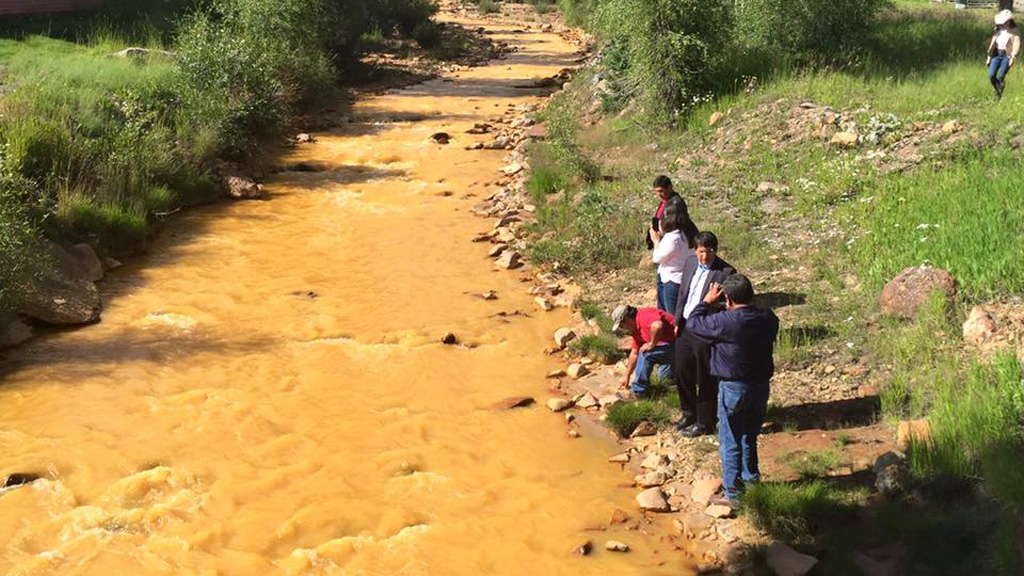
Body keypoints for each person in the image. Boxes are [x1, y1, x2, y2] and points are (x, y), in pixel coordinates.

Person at [686, 275, 779, 507]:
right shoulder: (768, 318)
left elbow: (693, 324)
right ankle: (751, 482)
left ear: (727, 298)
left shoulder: (725, 322)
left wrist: (706, 302)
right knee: (749, 435)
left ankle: (733, 495)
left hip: (733, 387)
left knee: (730, 439)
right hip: (760, 386)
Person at [673, 231, 736, 437]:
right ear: (695, 250)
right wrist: (676, 320)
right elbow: (683, 293)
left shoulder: (725, 272)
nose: (704, 256)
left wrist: (709, 303)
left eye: (709, 252)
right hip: (685, 327)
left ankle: (705, 422)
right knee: (682, 372)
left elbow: (727, 305)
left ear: (715, 251)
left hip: (705, 331)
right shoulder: (690, 263)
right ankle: (688, 413)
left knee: (705, 378)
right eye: (701, 252)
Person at [612, 304, 677, 396]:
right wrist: (626, 375)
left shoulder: (644, 315)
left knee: (645, 354)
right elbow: (634, 353)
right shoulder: (635, 329)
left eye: (621, 326)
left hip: (678, 342)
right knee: (664, 383)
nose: (623, 329)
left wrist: (651, 344)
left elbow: (657, 326)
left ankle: (638, 392)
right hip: (668, 349)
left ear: (626, 320)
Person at [651, 206, 689, 313]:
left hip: (672, 280)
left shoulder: (674, 238)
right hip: (674, 277)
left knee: (670, 315)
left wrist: (656, 241)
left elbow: (657, 257)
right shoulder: (684, 234)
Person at [987, 10, 1020, 99]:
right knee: (992, 75)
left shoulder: (1014, 31)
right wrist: (989, 56)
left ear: (1009, 21)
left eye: (1004, 22)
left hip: (1007, 56)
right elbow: (993, 44)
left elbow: (1016, 44)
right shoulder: (997, 30)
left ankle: (998, 95)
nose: (1002, 24)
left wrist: (1013, 56)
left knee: (1001, 75)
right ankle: (999, 88)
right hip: (997, 54)